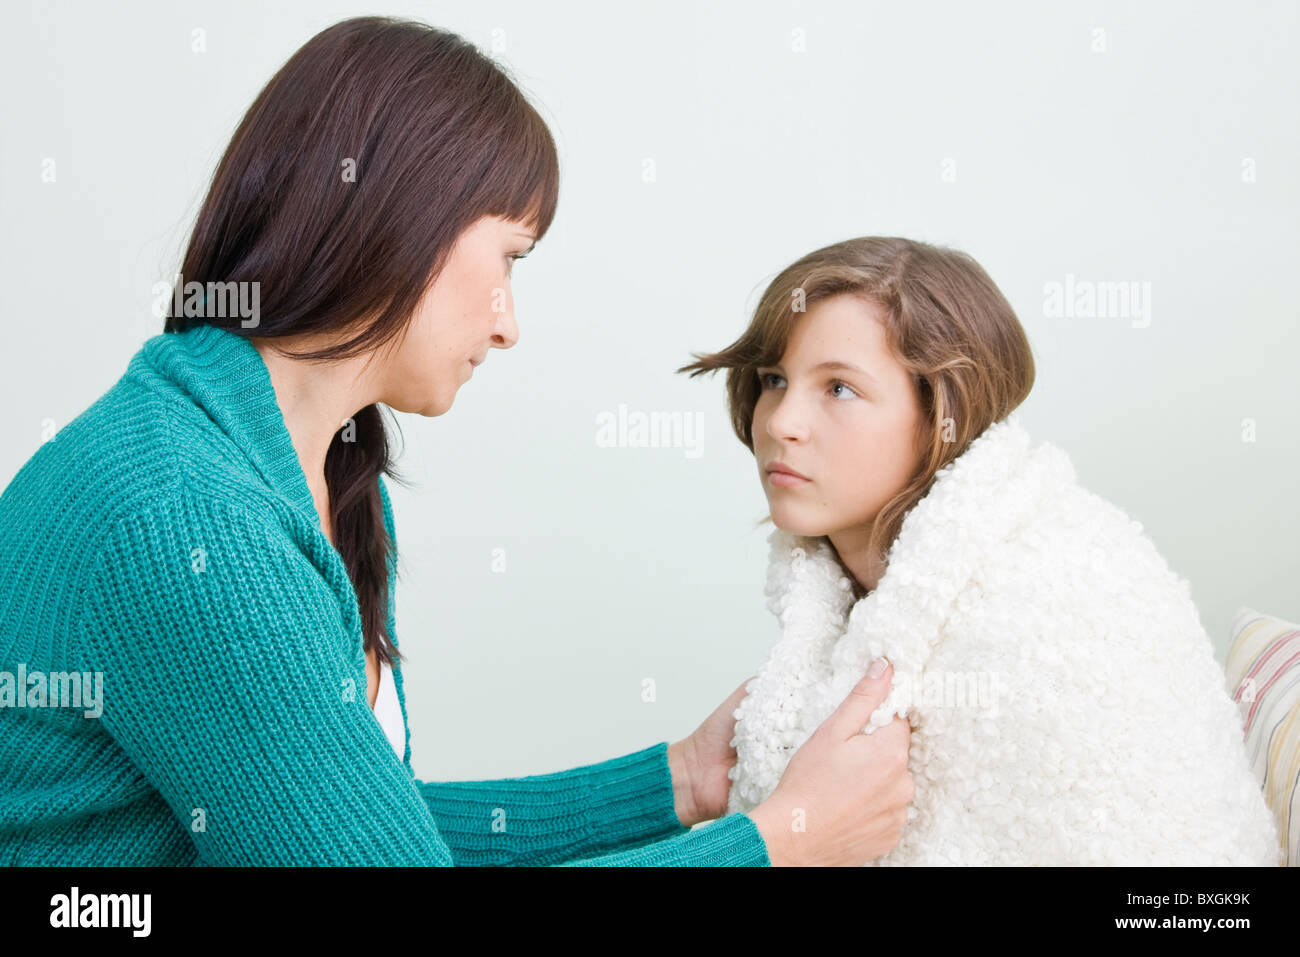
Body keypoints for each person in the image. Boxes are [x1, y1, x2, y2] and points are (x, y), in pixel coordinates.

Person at [0, 16, 914, 867]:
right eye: (510, 257)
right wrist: (780, 841)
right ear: (401, 218)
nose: (510, 323)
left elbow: (351, 822)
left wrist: (677, 781)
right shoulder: (190, 526)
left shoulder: (325, 470)